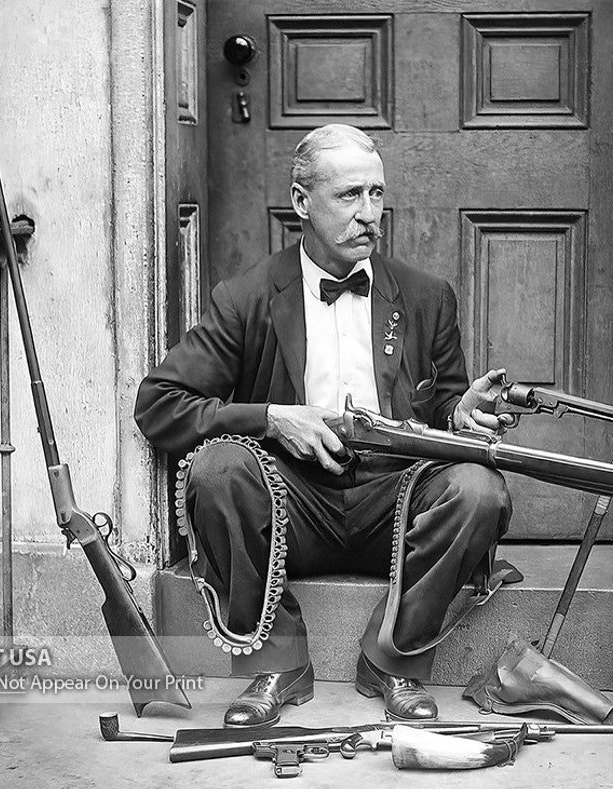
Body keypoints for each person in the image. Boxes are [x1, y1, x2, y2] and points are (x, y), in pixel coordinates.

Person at [135, 123, 513, 729]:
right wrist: (270, 418)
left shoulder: (425, 296)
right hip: (293, 506)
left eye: (376, 193)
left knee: (478, 490)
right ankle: (278, 662)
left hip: (396, 501)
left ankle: (392, 660)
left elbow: (443, 410)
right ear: (301, 201)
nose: (370, 215)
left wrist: (460, 417)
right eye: (349, 196)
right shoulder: (248, 297)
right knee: (216, 469)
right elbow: (160, 403)